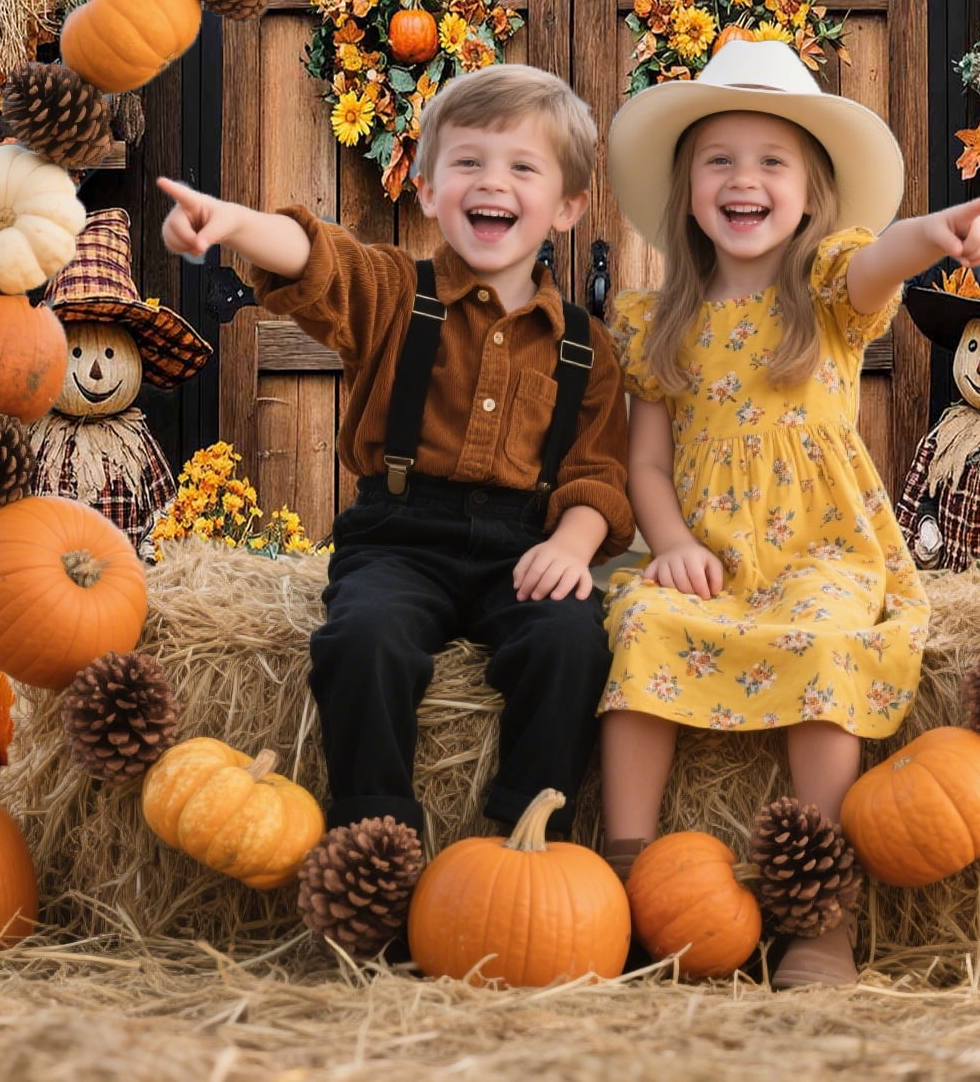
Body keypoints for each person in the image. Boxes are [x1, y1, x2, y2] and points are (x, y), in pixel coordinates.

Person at [157, 65, 632, 947]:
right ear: (427, 189)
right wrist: (237, 226)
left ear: (566, 206)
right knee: (362, 637)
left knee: (569, 641)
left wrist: (573, 542)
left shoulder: (585, 350)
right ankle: (376, 840)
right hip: (398, 536)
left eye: (524, 170)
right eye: (468, 164)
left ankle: (531, 836)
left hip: (522, 543)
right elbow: (318, 260)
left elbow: (598, 474)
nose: (493, 183)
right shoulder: (394, 294)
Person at [599, 40, 980, 989]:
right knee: (645, 627)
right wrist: (672, 545)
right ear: (689, 190)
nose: (746, 181)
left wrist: (934, 231)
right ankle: (623, 878)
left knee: (823, 645)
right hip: (711, 555)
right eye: (720, 161)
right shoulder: (652, 320)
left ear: (813, 193)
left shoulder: (827, 292)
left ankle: (819, 913)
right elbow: (645, 462)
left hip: (823, 551)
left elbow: (883, 264)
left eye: (772, 161)